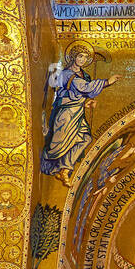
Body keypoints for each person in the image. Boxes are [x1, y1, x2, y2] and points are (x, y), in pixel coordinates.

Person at [40, 45, 118, 177]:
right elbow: (82, 87)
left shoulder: (85, 75)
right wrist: (107, 82)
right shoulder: (66, 74)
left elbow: (81, 93)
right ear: (73, 57)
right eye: (80, 56)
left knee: (86, 139)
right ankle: (51, 163)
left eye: (86, 57)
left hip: (78, 113)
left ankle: (65, 167)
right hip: (66, 113)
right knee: (58, 145)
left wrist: (86, 103)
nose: (82, 59)